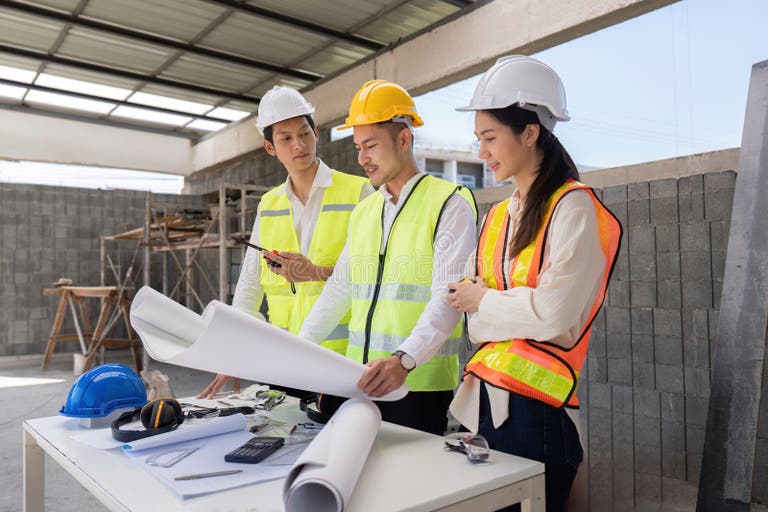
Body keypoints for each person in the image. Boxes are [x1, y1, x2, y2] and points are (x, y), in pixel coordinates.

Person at [446, 55, 622, 512]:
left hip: (539, 415)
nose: (481, 151)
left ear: (530, 132)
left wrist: (486, 300)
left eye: (489, 138)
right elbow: (474, 325)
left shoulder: (572, 207)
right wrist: (500, 309)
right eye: (478, 138)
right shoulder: (498, 215)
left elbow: (556, 316)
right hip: (487, 403)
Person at [298, 80, 478, 435]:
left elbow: (447, 299)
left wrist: (404, 360)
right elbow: (339, 289)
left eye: (371, 146)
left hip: (417, 385)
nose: (362, 158)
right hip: (358, 381)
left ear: (404, 140)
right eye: (357, 147)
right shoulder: (364, 211)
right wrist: (299, 348)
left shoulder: (449, 203)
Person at [198, 85, 373, 399]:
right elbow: (250, 285)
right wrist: (234, 350)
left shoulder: (359, 193)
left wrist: (316, 272)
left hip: (341, 360)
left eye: (304, 133)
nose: (299, 145)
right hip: (282, 360)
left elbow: (371, 274)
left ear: (316, 134)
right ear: (270, 147)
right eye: (286, 138)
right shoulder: (269, 204)